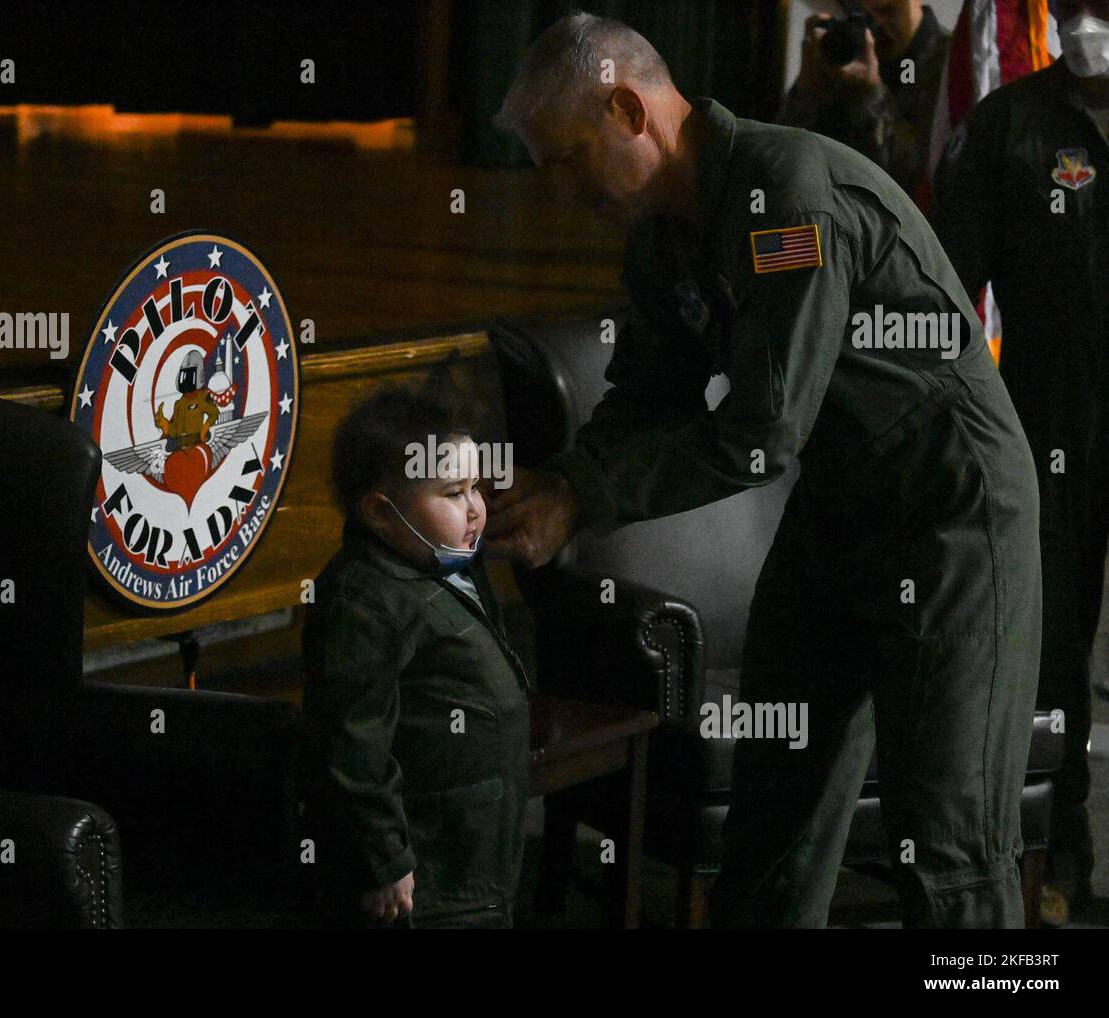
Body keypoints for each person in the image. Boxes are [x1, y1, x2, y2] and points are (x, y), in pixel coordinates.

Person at [488, 11, 1042, 927]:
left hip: (954, 524)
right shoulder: (661, 232)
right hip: (838, 516)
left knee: (950, 857)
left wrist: (585, 494)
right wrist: (560, 487)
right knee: (771, 836)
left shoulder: (787, 199)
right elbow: (647, 396)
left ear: (628, 109)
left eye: (565, 160)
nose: (560, 190)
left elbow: (763, 432)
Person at [931, 0, 1109, 926]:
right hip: (1048, 424)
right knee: (1053, 655)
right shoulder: (1005, 129)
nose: (1089, 24)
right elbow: (948, 299)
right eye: (1075, 6)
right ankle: (1059, 862)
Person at [301, 383, 530, 928]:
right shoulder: (365, 601)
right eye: (453, 493)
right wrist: (384, 860)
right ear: (381, 513)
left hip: (475, 849)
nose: (476, 508)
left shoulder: (442, 563)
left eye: (476, 487)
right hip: (426, 869)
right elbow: (350, 741)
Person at [779, 1, 950, 199]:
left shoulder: (953, 68)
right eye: (858, 14)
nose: (875, 26)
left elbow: (917, 184)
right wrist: (807, 88)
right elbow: (786, 169)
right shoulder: (842, 60)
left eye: (886, 10)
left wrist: (868, 93)